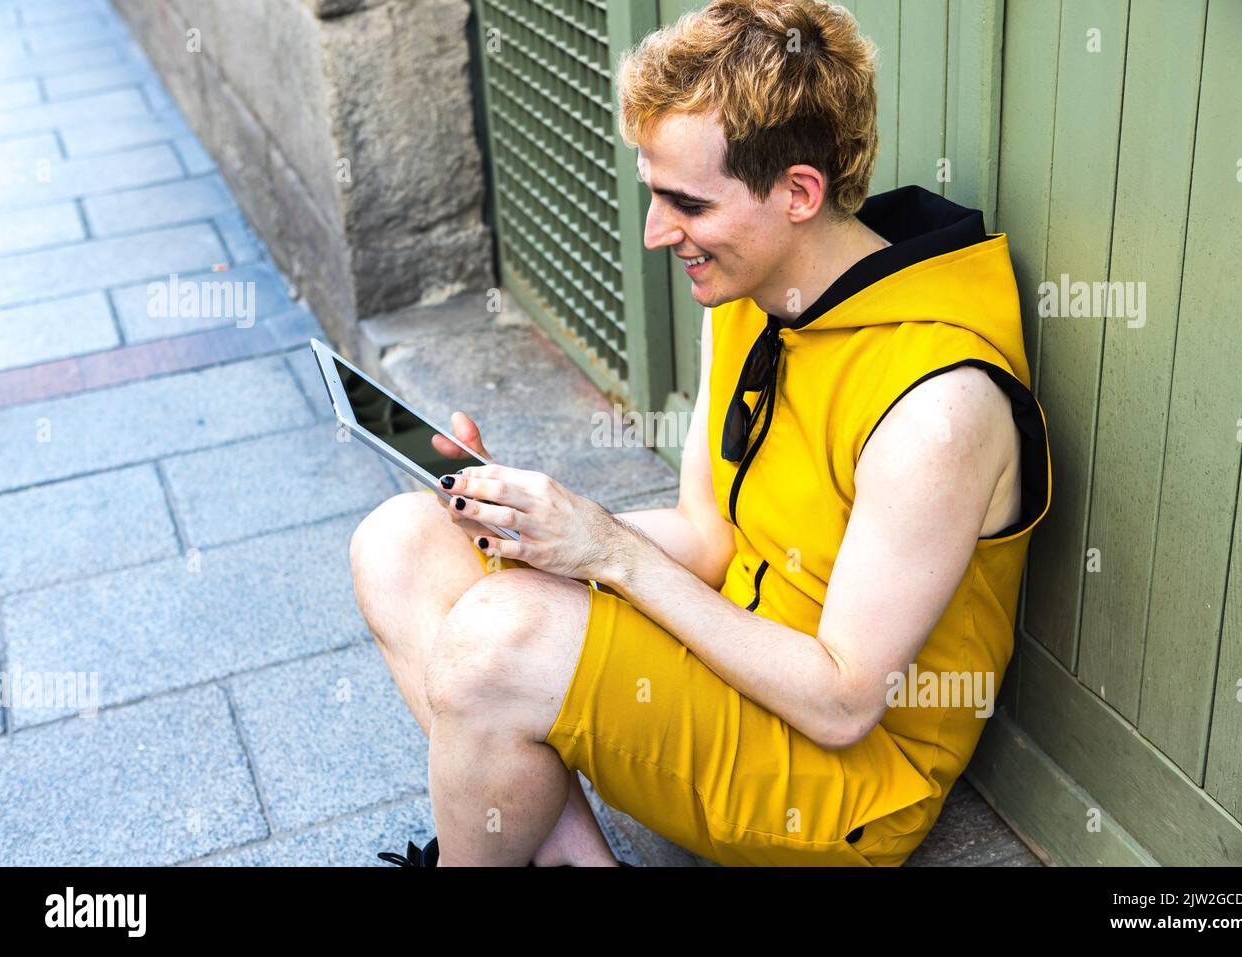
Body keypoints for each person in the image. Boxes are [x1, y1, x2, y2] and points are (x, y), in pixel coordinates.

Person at [351, 0, 1052, 867]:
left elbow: (842, 700)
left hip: (846, 785)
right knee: (402, 540)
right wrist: (527, 519)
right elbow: (709, 534)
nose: (656, 232)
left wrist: (607, 550)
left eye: (686, 201)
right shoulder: (754, 291)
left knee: (499, 638)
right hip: (736, 657)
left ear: (799, 192)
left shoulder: (939, 410)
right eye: (654, 194)